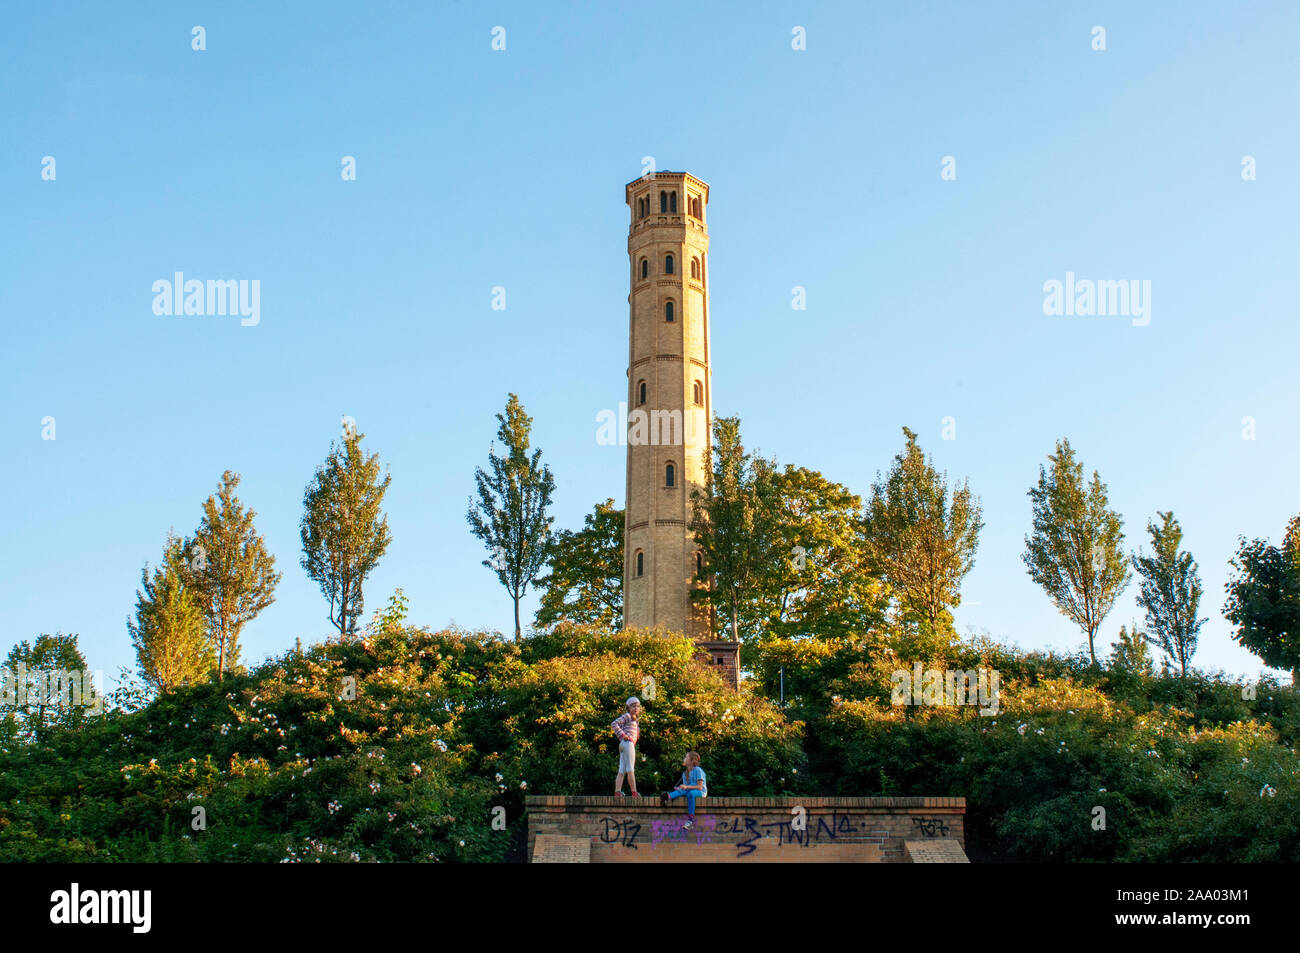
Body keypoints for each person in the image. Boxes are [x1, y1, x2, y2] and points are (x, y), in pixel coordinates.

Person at [661, 751, 707, 830]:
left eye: (686, 757)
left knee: (691, 794)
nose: (684, 759)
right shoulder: (685, 773)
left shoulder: (698, 770)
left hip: (700, 792)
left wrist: (686, 787)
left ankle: (691, 820)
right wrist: (681, 787)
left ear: (692, 761)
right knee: (682, 791)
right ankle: (668, 796)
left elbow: (700, 787)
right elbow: (686, 787)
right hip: (689, 790)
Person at [611, 697, 642, 797]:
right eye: (633, 706)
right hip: (628, 743)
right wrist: (622, 735)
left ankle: (617, 791)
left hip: (625, 744)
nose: (636, 708)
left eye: (637, 706)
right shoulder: (628, 716)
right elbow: (614, 724)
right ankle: (634, 792)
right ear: (628, 707)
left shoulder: (635, 719)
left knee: (622, 770)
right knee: (630, 769)